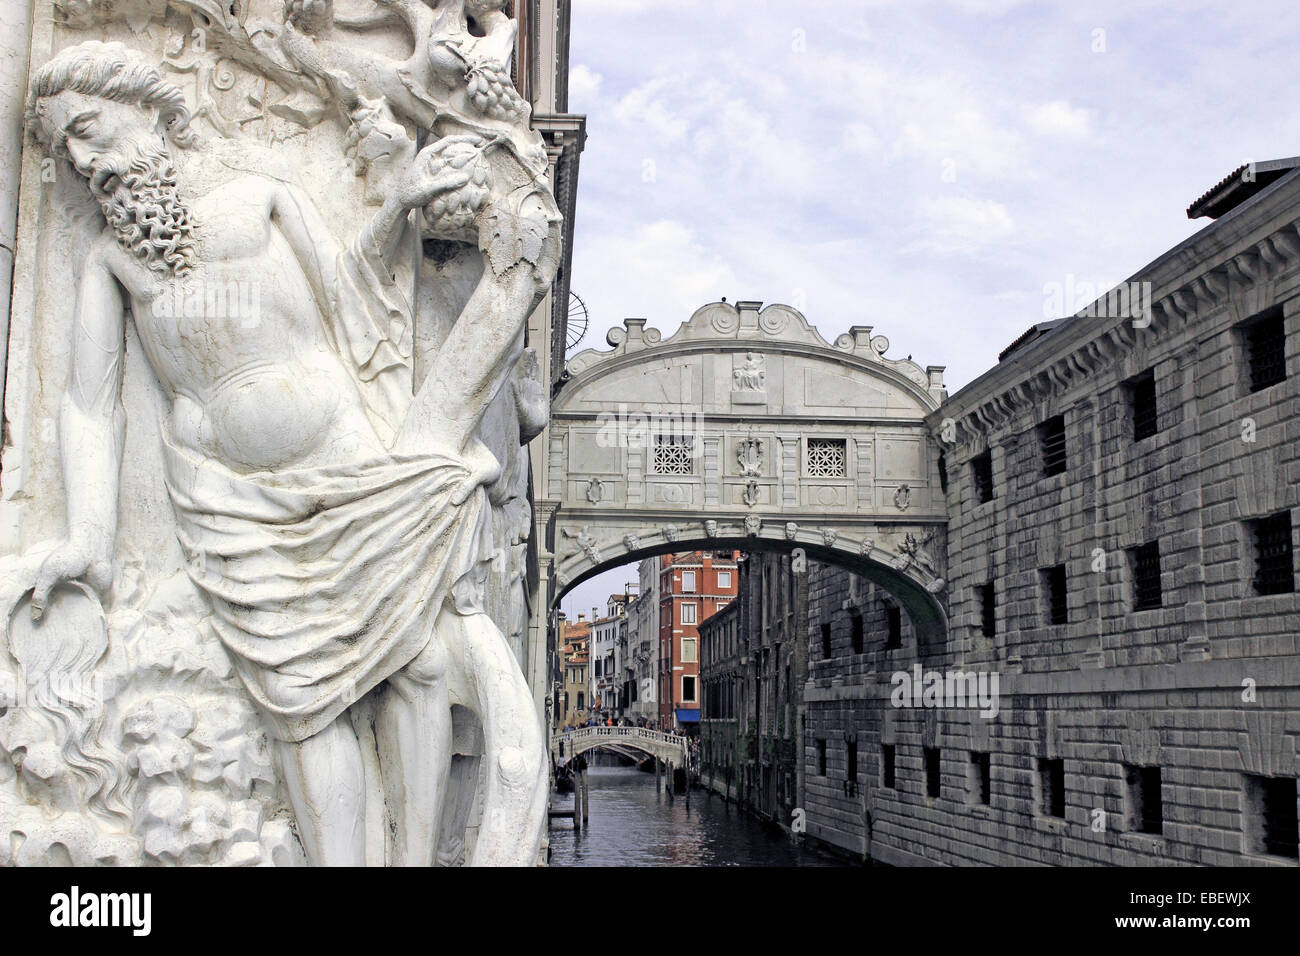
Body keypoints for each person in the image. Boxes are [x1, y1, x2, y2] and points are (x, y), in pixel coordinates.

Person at [20, 40, 552, 867]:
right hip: (228, 505)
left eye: (89, 131)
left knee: (407, 663)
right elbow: (89, 405)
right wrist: (89, 538)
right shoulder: (111, 260)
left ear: (145, 109)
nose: (86, 162)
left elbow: (354, 289)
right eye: (67, 151)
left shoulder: (260, 197)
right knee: (301, 701)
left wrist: (403, 199)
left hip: (341, 466)